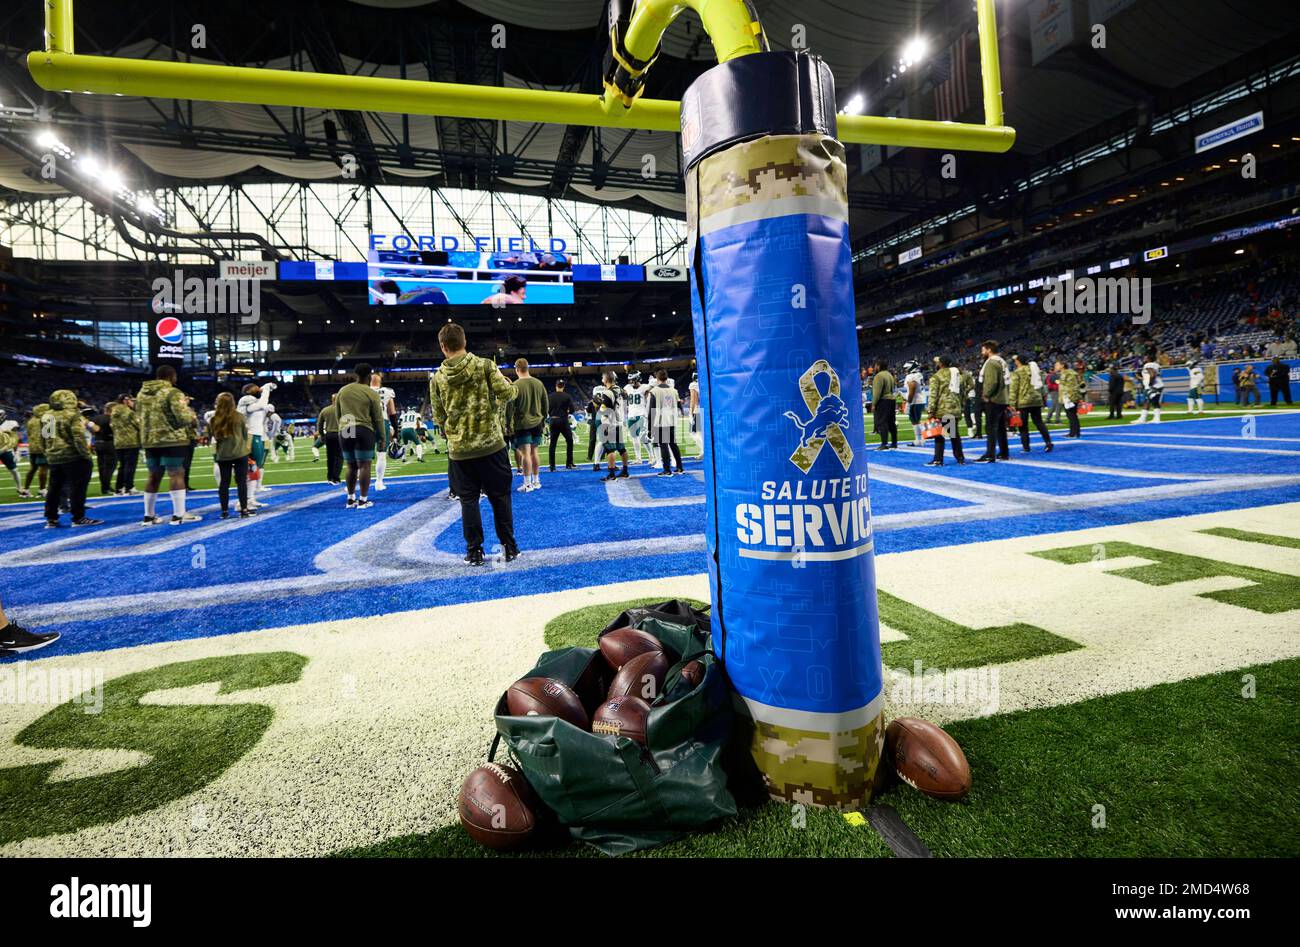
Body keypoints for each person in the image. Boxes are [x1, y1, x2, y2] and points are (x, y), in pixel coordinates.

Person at [429, 323, 520, 566]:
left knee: (468, 502)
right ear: (464, 341)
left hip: (459, 451)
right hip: (491, 446)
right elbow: (508, 394)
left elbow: (438, 417)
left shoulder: (437, 378)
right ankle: (508, 547)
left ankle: (474, 552)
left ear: (443, 346)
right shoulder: (485, 366)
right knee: (500, 498)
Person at [136, 366, 201, 525]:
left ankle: (148, 516)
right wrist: (190, 413)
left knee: (153, 476)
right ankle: (178, 515)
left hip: (150, 440)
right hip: (172, 439)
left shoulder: (141, 394)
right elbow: (183, 418)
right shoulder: (173, 393)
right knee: (176, 474)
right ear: (172, 376)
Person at [43, 388, 102, 528]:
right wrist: (85, 454)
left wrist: (48, 452)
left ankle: (51, 519)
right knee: (77, 488)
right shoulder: (72, 415)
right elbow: (78, 437)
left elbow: (45, 437)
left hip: (54, 456)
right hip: (73, 456)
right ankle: (78, 517)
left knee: (54, 488)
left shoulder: (46, 415)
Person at [336, 364, 387, 509]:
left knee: (350, 465)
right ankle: (363, 500)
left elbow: (338, 414)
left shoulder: (343, 390)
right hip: (364, 429)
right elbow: (377, 418)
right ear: (369, 376)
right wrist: (382, 437)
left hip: (346, 428)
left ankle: (350, 499)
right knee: (364, 465)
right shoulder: (371, 393)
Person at [209, 391, 253, 519]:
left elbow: (214, 436)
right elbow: (245, 435)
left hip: (223, 454)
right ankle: (244, 510)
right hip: (240, 453)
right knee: (241, 483)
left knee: (224, 483)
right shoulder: (239, 416)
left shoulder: (213, 419)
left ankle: (224, 511)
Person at [237, 380, 276, 508]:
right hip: (249, 436)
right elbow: (261, 404)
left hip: (256, 435)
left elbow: (263, 406)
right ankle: (243, 500)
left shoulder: (255, 401)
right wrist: (265, 389)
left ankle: (250, 498)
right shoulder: (247, 399)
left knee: (255, 467)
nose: (257, 388)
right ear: (248, 390)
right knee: (250, 467)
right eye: (254, 387)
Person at [511, 359, 548, 492]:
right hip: (537, 422)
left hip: (522, 423)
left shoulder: (515, 385)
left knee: (525, 453)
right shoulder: (539, 383)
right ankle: (537, 481)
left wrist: (509, 423)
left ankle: (527, 484)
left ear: (517, 369)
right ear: (528, 368)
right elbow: (545, 405)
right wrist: (542, 420)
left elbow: (510, 408)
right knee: (534, 452)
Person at [925, 356, 966, 467]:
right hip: (955, 407)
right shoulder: (957, 375)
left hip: (943, 409)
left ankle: (938, 459)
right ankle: (960, 458)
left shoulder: (937, 376)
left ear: (941, 363)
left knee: (939, 435)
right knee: (954, 434)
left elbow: (933, 395)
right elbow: (962, 392)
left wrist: (930, 410)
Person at [974, 340, 1010, 463]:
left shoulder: (991, 362)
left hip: (995, 398)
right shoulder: (1001, 361)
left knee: (990, 427)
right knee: (1000, 427)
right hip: (1003, 397)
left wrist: (986, 394)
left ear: (989, 350)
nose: (982, 352)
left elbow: (992, 381)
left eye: (983, 350)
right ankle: (1004, 452)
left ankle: (990, 454)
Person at [1009, 355, 1053, 454]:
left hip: (1023, 401)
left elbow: (1013, 389)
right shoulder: (1035, 370)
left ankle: (1026, 447)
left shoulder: (1017, 372)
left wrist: (1012, 403)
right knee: (1039, 422)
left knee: (1023, 425)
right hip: (1036, 400)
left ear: (1018, 361)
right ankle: (1048, 442)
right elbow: (1041, 384)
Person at [647, 370, 684, 476]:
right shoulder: (674, 390)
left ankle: (667, 470)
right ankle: (680, 467)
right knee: (673, 444)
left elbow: (652, 410)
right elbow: (677, 404)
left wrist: (650, 428)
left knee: (663, 445)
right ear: (666, 378)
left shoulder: (654, 391)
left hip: (660, 421)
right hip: (671, 420)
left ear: (657, 379)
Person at [368, 373, 399, 490]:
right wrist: (396, 430)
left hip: (366, 423)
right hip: (382, 422)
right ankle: (379, 482)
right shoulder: (387, 391)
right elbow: (392, 412)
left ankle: (357, 483)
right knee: (381, 454)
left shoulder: (362, 390)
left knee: (362, 454)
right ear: (380, 381)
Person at [110, 394, 141, 495]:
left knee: (122, 466)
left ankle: (119, 488)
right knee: (130, 466)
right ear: (125, 400)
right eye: (131, 400)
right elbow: (139, 424)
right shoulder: (129, 412)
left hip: (118, 442)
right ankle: (129, 487)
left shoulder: (113, 412)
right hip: (131, 441)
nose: (133, 402)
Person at [23, 402, 51, 498]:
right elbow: (48, 435)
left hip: (32, 448)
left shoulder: (31, 420)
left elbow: (29, 434)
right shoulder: (47, 419)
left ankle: (25, 490)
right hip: (42, 447)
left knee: (33, 468)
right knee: (44, 468)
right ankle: (42, 490)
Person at [548, 379, 575, 471]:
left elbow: (547, 410)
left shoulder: (550, 396)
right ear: (563, 386)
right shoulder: (567, 396)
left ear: (556, 386)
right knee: (570, 441)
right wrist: (567, 411)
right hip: (563, 421)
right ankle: (569, 463)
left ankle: (552, 466)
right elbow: (572, 410)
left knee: (553, 444)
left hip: (553, 420)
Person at [622, 371, 649, 465]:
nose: (631, 382)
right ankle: (638, 458)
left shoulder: (645, 387)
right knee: (634, 438)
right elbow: (624, 400)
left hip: (641, 414)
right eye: (630, 380)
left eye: (633, 379)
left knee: (643, 437)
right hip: (631, 415)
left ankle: (652, 456)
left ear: (637, 379)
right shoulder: (627, 388)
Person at [89, 401, 116, 495]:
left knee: (102, 467)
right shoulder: (112, 418)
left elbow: (91, 428)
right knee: (110, 467)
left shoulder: (96, 418)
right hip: (109, 443)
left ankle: (104, 487)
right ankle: (106, 487)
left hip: (98, 443)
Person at [871, 358, 898, 450]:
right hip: (891, 400)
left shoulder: (879, 376)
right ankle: (894, 443)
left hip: (883, 401)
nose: (875, 367)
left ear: (878, 366)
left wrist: (874, 403)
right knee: (891, 422)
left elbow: (877, 392)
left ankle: (884, 444)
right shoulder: (890, 375)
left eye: (875, 365)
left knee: (882, 422)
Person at [317, 393, 342, 484]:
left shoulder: (325, 410)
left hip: (329, 435)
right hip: (340, 435)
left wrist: (322, 435)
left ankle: (329, 477)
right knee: (339, 457)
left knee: (330, 457)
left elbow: (319, 424)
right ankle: (336, 478)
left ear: (332, 400)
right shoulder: (344, 410)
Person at [1132, 357, 1164, 424]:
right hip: (1158, 385)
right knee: (1154, 402)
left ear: (1149, 358)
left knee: (1147, 401)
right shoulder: (1156, 365)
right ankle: (1156, 418)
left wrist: (1150, 384)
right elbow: (1146, 377)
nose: (1144, 359)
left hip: (1153, 386)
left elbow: (1152, 375)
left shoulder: (1149, 364)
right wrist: (1136, 375)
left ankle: (1143, 418)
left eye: (1146, 358)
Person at [1056, 360, 1084, 438]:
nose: (1055, 366)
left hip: (1069, 397)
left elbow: (1071, 386)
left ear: (1062, 365)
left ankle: (1073, 433)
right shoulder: (1071, 373)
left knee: (1071, 416)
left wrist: (1068, 398)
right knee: (1073, 416)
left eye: (1057, 365)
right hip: (1071, 397)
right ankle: (1076, 432)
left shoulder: (1067, 373)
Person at [902, 361, 926, 446]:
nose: (905, 370)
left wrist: (908, 403)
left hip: (915, 401)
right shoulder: (919, 375)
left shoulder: (911, 376)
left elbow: (912, 388)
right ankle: (919, 440)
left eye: (906, 368)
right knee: (916, 421)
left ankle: (920, 439)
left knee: (915, 421)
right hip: (920, 399)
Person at [0, 421, 26, 496]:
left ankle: (19, 488)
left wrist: (16, 452)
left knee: (14, 470)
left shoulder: (10, 425)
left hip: (6, 450)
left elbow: (14, 439)